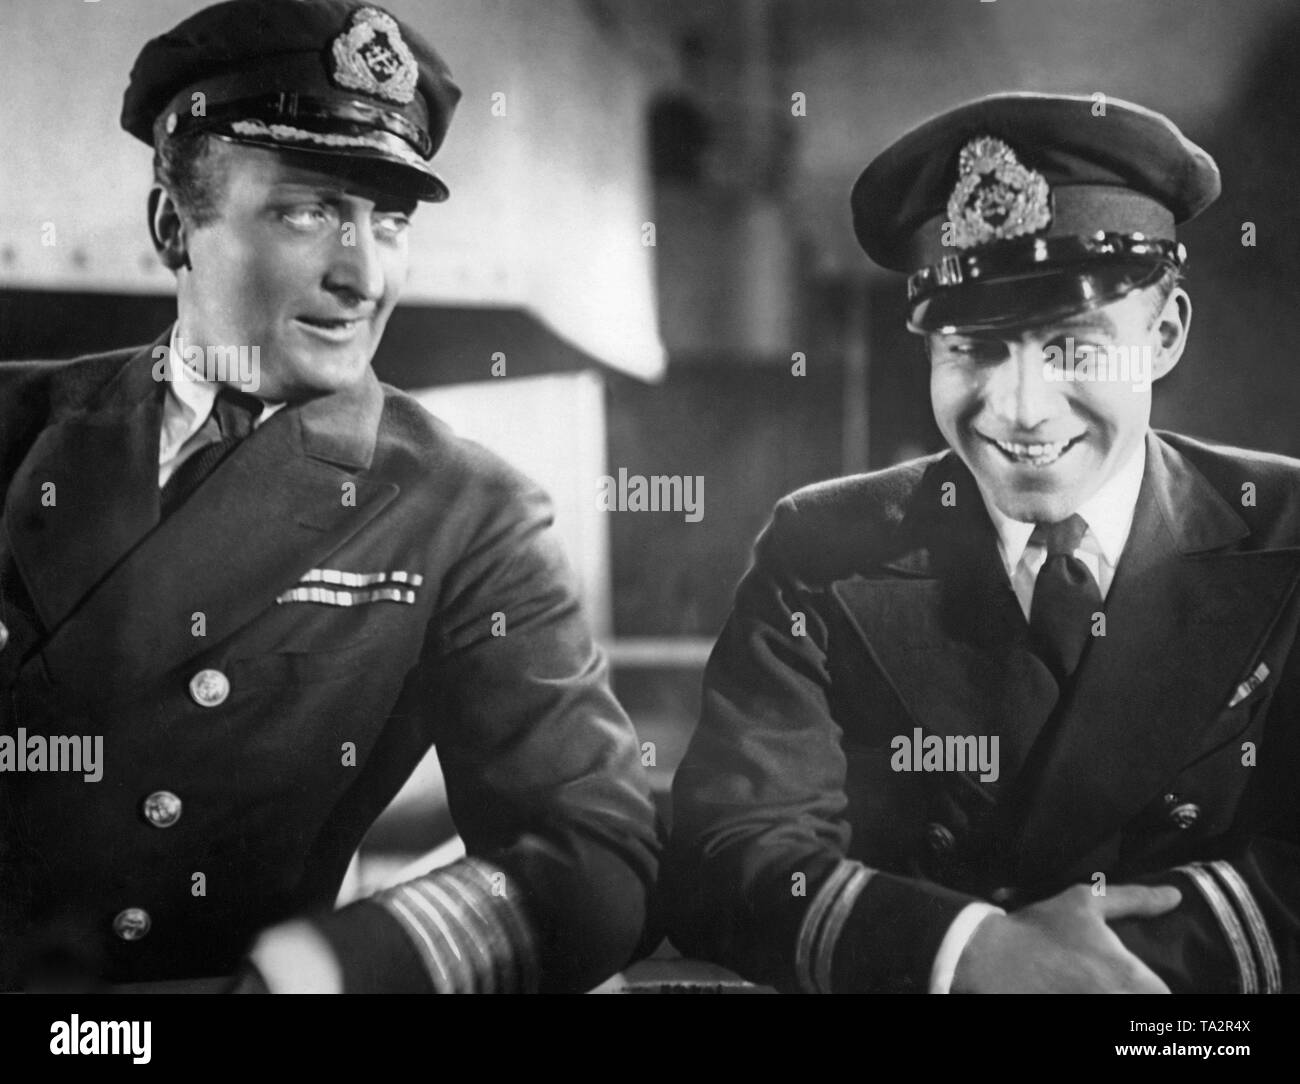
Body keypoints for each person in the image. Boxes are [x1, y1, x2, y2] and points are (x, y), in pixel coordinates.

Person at [0, 0, 658, 994]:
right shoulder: (18, 428)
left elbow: (597, 855)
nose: (362, 274)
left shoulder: (463, 511)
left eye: (387, 222)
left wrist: (324, 973)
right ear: (174, 226)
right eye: (307, 211)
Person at [664, 92, 1299, 994]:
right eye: (974, 349)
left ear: (1162, 336)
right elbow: (727, 852)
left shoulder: (1286, 529)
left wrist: (1074, 976)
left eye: (1074, 348)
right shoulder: (821, 545)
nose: (1021, 408)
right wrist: (968, 953)